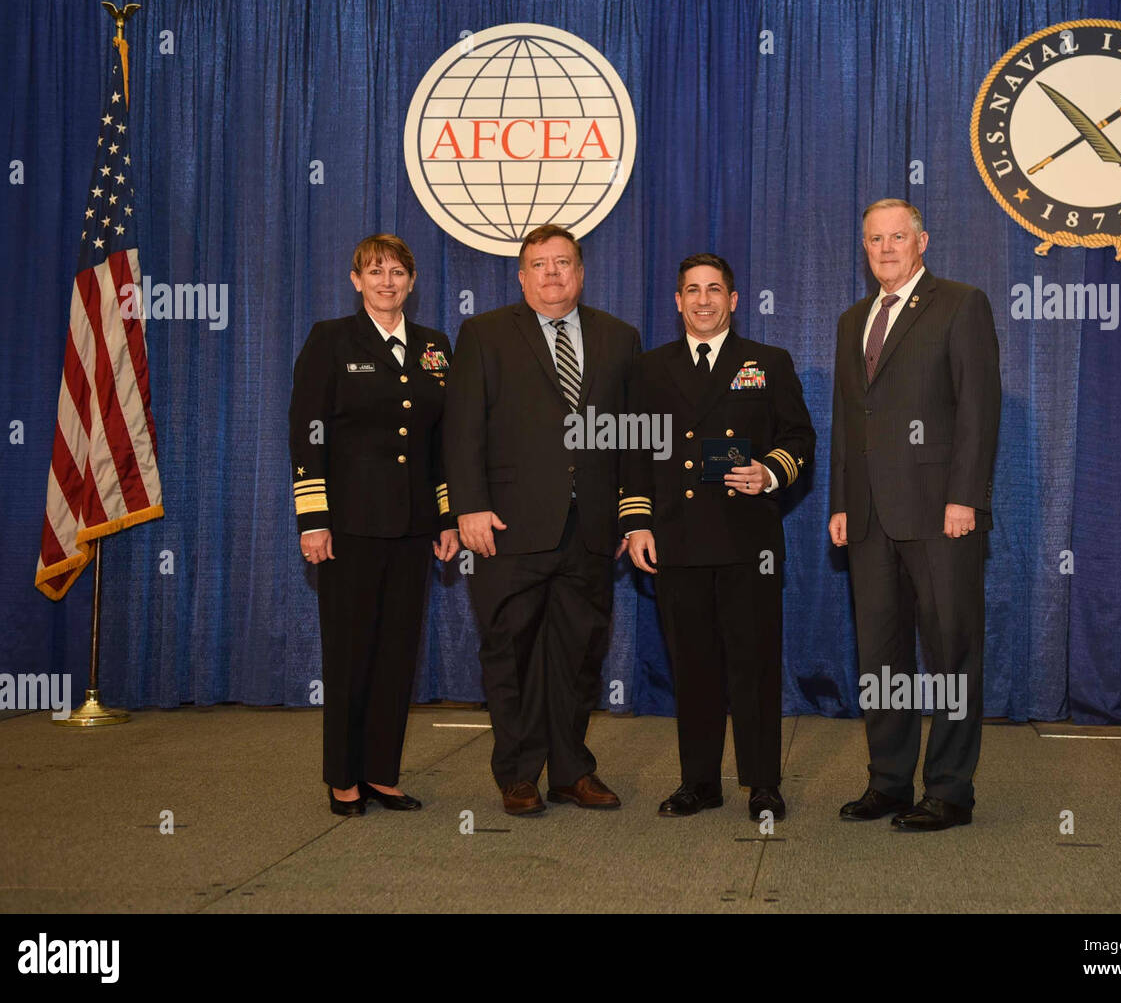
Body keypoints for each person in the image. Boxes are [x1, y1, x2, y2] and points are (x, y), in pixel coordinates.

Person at [444, 224, 641, 816]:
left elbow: (632, 437)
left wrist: (630, 517)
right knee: (512, 654)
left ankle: (571, 772)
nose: (552, 273)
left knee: (579, 656)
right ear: (522, 276)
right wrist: (469, 506)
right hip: (505, 527)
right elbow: (462, 427)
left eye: (563, 263)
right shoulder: (483, 334)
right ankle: (519, 774)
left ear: (580, 273)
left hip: (591, 531)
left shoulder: (620, 337)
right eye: (540, 264)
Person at [622, 253, 815, 820]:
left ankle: (762, 782)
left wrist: (771, 470)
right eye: (691, 291)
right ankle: (698, 782)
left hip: (746, 540)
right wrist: (635, 522)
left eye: (714, 290)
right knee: (693, 667)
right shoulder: (648, 369)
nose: (703, 300)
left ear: (734, 300)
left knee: (754, 666)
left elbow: (800, 437)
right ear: (677, 301)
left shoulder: (767, 362)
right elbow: (632, 452)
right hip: (676, 539)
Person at [828, 199, 1000, 831]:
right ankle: (890, 782)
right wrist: (841, 503)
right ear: (864, 247)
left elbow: (979, 410)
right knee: (881, 657)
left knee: (952, 652)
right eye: (875, 239)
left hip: (940, 516)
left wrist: (967, 499)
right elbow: (850, 420)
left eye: (898, 237)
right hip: (869, 520)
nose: (887, 248)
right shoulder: (853, 320)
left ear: (922, 241)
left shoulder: (961, 304)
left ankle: (951, 790)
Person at [289, 234, 459, 816]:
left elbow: (441, 442)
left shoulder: (435, 347)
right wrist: (314, 518)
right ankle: (343, 776)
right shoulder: (332, 340)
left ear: (412, 282)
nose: (387, 282)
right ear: (356, 280)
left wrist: (446, 517)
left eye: (398, 272)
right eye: (375, 272)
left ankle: (383, 773)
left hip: (413, 528)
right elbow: (307, 433)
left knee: (396, 654)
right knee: (350, 653)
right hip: (350, 528)